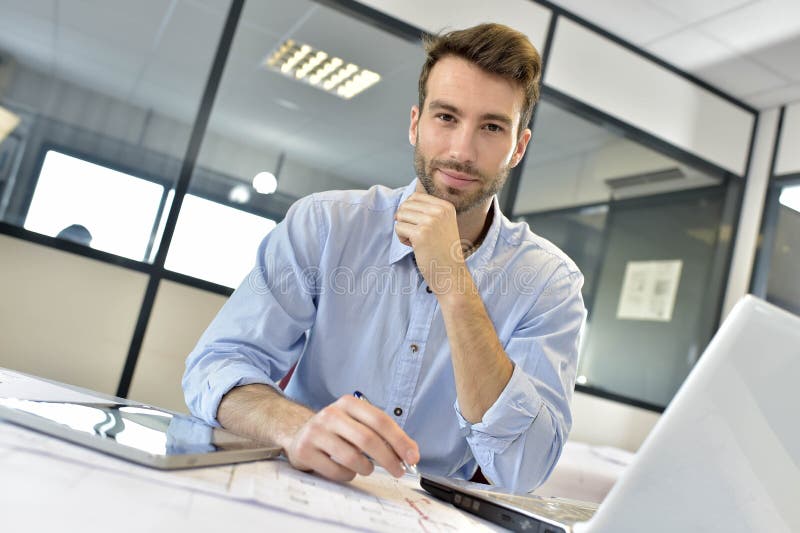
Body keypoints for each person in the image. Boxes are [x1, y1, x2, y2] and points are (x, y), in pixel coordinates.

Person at [183, 23, 585, 494]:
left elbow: (525, 469)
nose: (461, 150)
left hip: (431, 515)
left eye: (492, 127)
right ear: (415, 123)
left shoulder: (550, 283)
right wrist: (295, 426)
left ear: (518, 147)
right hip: (299, 484)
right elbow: (217, 365)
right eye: (446, 117)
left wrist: (453, 283)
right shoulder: (326, 224)